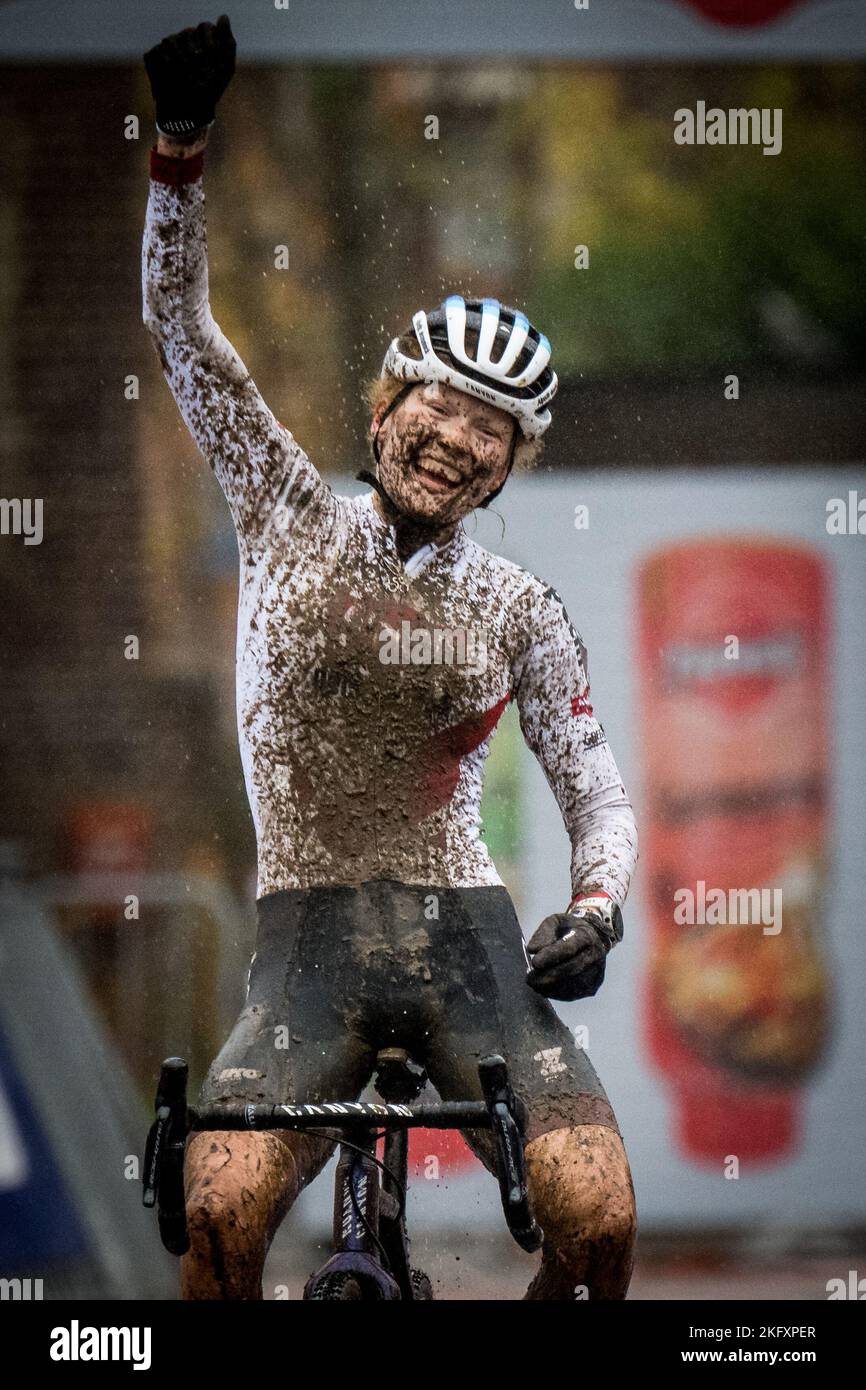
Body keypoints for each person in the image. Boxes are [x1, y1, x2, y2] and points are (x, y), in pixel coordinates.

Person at [142, 16, 639, 1301]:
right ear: (384, 401)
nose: (459, 440)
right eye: (442, 404)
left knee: (598, 1222)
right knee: (215, 1216)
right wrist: (180, 151)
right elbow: (182, 329)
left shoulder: (517, 604)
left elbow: (592, 784)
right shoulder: (286, 508)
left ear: (510, 465)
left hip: (468, 945)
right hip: (304, 943)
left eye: (495, 430)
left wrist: (594, 908)